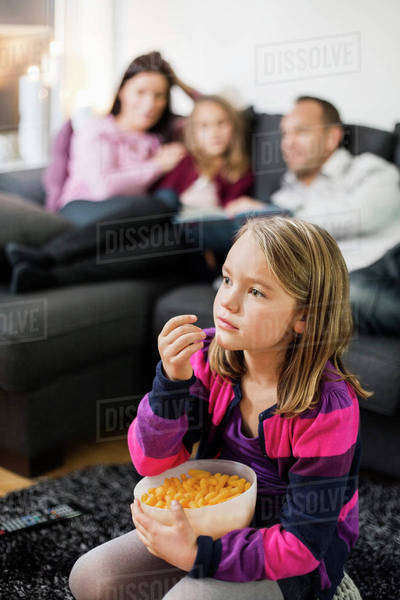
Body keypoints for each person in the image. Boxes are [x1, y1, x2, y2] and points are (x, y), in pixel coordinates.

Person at [68, 215, 369, 600]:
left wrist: (199, 556)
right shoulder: (209, 357)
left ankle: (334, 591)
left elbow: (303, 546)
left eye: (256, 292)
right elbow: (153, 465)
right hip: (217, 523)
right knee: (92, 578)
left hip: (294, 554)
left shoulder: (327, 407)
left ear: (305, 318)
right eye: (227, 279)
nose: (227, 300)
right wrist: (170, 384)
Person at [5, 95, 280, 293]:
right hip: (160, 222)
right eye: (205, 127)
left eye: (223, 124)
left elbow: (233, 227)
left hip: (193, 245)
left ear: (234, 128)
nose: (216, 133)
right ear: (193, 133)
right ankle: (46, 258)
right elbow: (157, 201)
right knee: (161, 204)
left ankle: (52, 276)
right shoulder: (183, 161)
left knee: (170, 233)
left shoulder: (241, 174)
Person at [0, 50, 198, 264]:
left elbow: (210, 113)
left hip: (127, 218)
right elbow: (103, 188)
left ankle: (42, 271)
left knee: (172, 240)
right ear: (122, 91)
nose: (150, 104)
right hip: (82, 208)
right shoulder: (97, 129)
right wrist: (157, 166)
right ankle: (47, 256)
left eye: (159, 95)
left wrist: (177, 82)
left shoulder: (157, 139)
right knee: (162, 203)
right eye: (141, 92)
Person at [227, 96, 400, 336]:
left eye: (300, 132)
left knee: (346, 294)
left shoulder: (368, 169)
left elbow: (362, 214)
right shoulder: (285, 195)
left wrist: (274, 218)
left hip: (388, 263)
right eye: (285, 134)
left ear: (332, 138)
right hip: (335, 283)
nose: (287, 143)